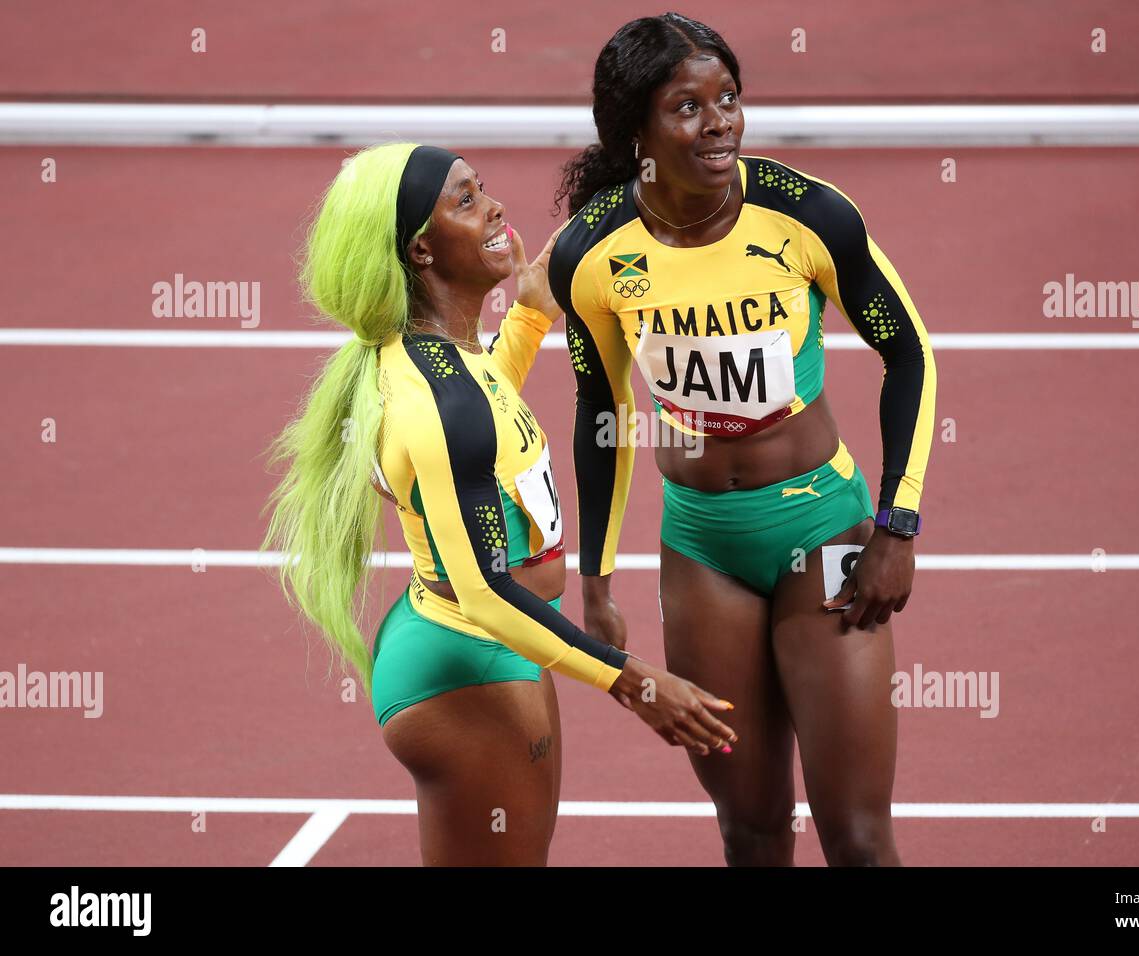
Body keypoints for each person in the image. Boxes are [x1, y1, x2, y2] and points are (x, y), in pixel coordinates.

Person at [263, 142, 737, 866]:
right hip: (468, 660)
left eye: (481, 188)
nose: (495, 207)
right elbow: (484, 590)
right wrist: (633, 681)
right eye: (464, 200)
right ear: (420, 250)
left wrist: (529, 315)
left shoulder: (438, 355)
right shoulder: (434, 403)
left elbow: (487, 408)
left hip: (493, 647)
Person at [550, 15, 937, 866]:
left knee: (861, 840)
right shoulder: (591, 253)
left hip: (825, 534)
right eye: (687, 107)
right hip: (701, 548)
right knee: (751, 830)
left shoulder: (806, 215)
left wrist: (898, 526)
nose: (719, 121)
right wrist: (595, 576)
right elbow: (598, 411)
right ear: (636, 131)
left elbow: (907, 352)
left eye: (728, 98)